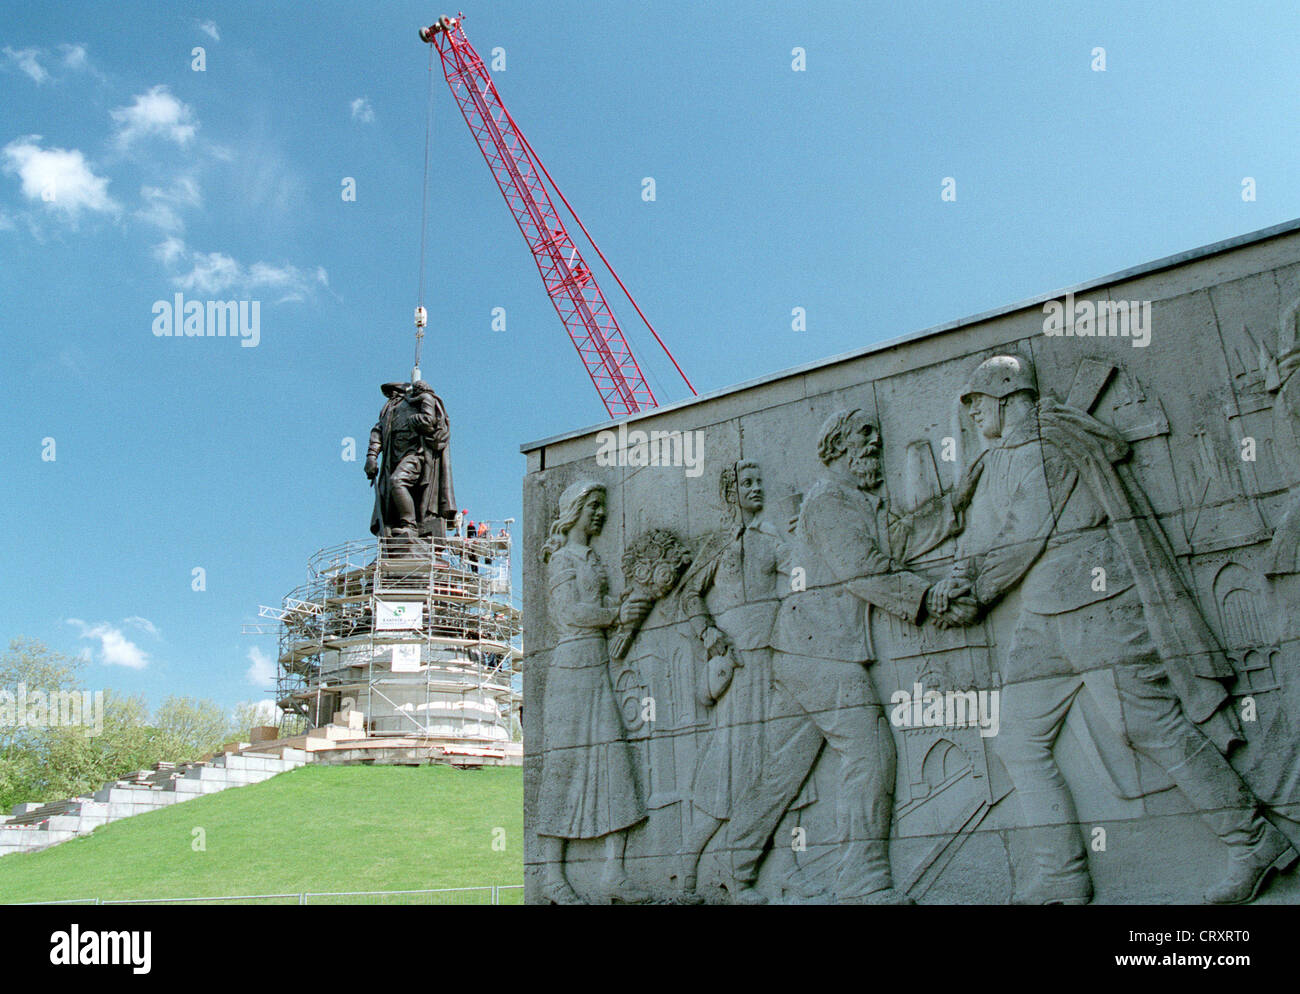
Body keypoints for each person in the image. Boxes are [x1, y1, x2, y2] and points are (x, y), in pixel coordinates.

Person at [931, 353, 1297, 905]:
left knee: (1150, 726)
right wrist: (957, 578)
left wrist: (975, 595)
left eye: (978, 403)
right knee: (1017, 739)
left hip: (1096, 599)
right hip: (1043, 614)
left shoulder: (1051, 446)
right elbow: (985, 533)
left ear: (1007, 397)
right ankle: (1063, 874)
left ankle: (1253, 841)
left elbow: (1021, 536)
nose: (974, 415)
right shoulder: (1002, 456)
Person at [536, 480, 651, 904]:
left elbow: (606, 609)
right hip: (570, 670)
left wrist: (630, 605)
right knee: (563, 770)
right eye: (594, 506)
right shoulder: (561, 558)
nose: (600, 513)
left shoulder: (595, 559)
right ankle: (552, 876)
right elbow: (569, 612)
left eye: (603, 506)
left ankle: (613, 874)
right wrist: (614, 614)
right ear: (575, 510)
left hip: (599, 667)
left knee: (613, 762)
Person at [365, 381, 456, 539]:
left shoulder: (418, 402)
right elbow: (378, 432)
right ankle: (401, 525)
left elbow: (432, 424)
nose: (390, 397)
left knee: (397, 481)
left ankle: (409, 525)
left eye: (393, 393)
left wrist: (417, 420)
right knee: (392, 491)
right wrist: (372, 457)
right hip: (392, 459)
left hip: (416, 454)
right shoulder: (388, 411)